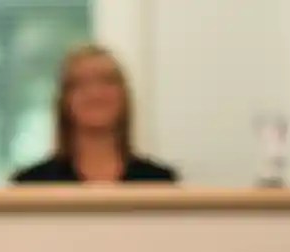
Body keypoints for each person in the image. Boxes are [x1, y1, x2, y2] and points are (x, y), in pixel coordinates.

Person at [12, 45, 177, 184]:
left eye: (107, 81)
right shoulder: (31, 183)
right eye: (80, 84)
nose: (95, 93)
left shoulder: (160, 181)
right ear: (64, 100)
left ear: (124, 96)